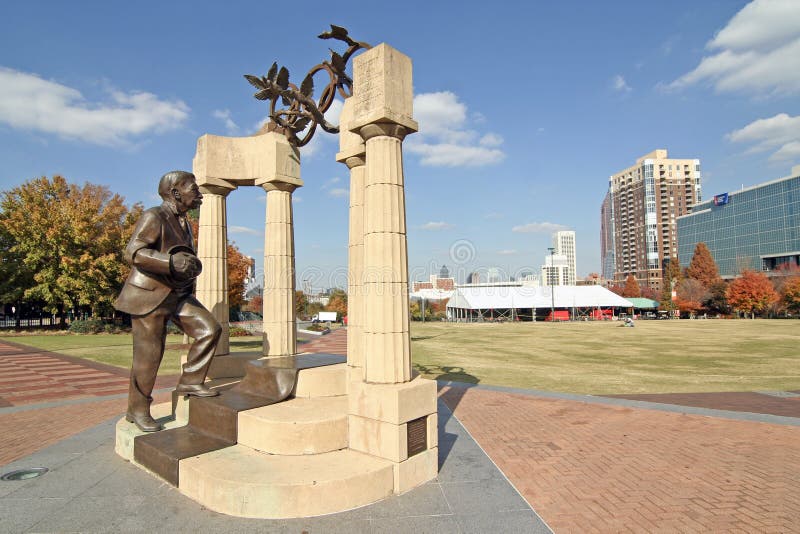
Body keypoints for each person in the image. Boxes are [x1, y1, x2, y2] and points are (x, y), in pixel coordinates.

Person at [114, 171, 221, 432]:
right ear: (175, 193)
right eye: (193, 188)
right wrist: (170, 262)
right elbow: (133, 252)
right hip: (148, 296)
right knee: (148, 356)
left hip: (178, 294)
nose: (198, 192)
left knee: (210, 329)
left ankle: (191, 381)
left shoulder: (184, 221)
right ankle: (137, 410)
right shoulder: (154, 215)